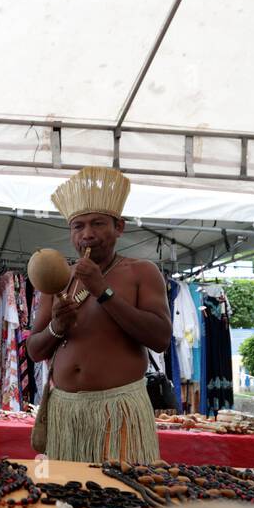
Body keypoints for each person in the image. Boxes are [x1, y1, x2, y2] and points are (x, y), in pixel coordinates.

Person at [26, 167, 172, 463]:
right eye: (78, 226)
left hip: (119, 412)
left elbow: (160, 338)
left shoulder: (141, 272)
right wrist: (57, 327)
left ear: (119, 227)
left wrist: (103, 291)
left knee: (124, 502)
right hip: (66, 414)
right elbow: (34, 349)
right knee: (65, 501)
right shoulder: (58, 278)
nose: (87, 234)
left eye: (98, 224)